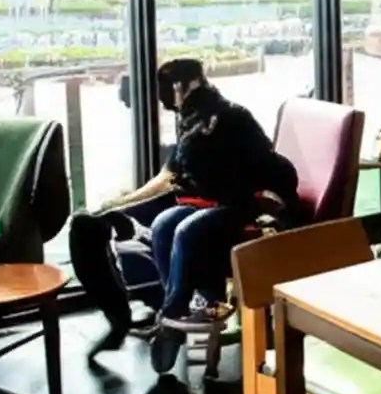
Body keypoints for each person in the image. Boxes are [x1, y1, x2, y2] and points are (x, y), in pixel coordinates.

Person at [68, 59, 304, 371]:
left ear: (182, 86)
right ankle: (180, 312)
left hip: (250, 206)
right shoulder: (194, 119)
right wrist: (117, 204)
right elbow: (174, 175)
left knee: (186, 231)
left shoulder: (227, 118)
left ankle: (171, 318)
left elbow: (267, 173)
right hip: (215, 202)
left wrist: (120, 203)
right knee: (164, 224)